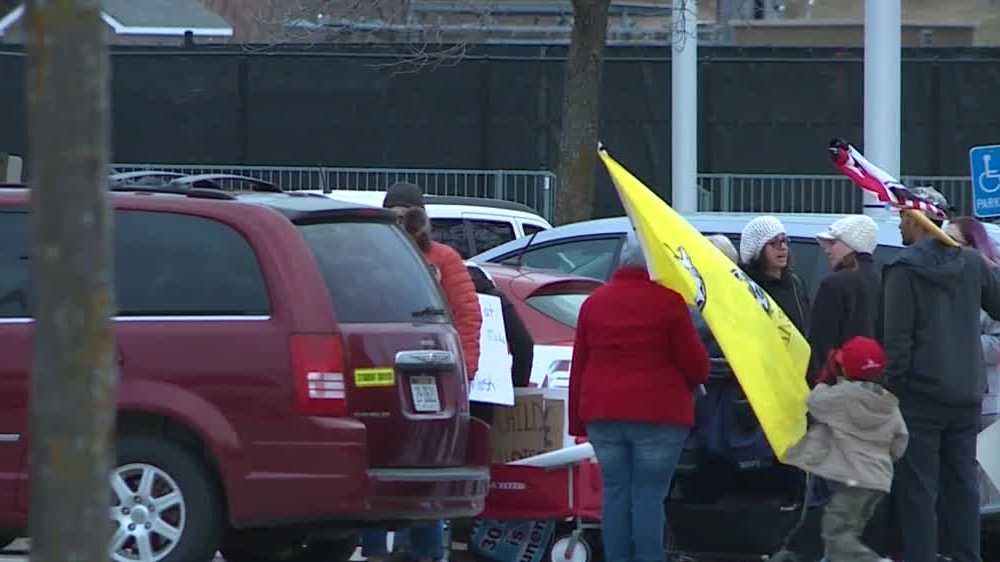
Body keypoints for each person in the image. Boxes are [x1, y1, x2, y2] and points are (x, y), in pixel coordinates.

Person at [568, 232, 710, 562]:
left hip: (603, 414)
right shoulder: (670, 303)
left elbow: (580, 363)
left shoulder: (594, 302)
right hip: (659, 416)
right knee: (649, 495)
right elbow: (696, 365)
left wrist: (579, 420)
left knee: (615, 493)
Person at [361, 184, 483, 562]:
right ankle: (379, 550)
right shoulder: (368, 258)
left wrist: (463, 372)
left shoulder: (441, 260)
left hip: (429, 374)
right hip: (382, 370)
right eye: (394, 214)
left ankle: (423, 551)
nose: (401, 222)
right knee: (380, 461)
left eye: (406, 214)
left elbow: (467, 317)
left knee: (425, 464)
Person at [884, 187, 1000, 562]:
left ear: (915, 220)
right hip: (966, 393)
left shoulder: (904, 270)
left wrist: (892, 388)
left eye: (901, 217)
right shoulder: (970, 262)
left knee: (919, 492)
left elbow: (897, 341)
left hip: (920, 395)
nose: (899, 225)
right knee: (962, 487)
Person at [784, 337, 908, 562]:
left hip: (851, 481)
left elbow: (814, 402)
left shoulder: (841, 396)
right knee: (852, 531)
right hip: (878, 481)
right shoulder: (887, 402)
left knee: (837, 535)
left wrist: (824, 379)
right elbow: (900, 442)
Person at [808, 215, 882, 382]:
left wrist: (816, 385)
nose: (827, 250)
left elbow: (820, 346)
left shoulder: (834, 284)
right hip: (873, 384)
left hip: (838, 384)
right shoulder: (882, 280)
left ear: (852, 245)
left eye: (833, 243)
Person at [466, 262, 534, 388]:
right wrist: (516, 388)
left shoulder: (437, 292)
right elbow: (524, 345)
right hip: (490, 390)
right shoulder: (495, 298)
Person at [739, 215, 811, 333]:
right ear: (758, 252)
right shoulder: (748, 288)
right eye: (773, 243)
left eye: (784, 241)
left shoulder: (795, 282)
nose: (782, 247)